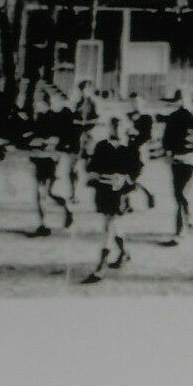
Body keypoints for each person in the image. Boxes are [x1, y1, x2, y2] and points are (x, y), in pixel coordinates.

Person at [80, 116, 143, 285]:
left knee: (109, 224)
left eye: (119, 126)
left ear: (125, 128)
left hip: (120, 193)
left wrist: (125, 179)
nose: (116, 129)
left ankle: (101, 265)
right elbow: (93, 167)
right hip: (104, 191)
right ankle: (124, 253)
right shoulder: (102, 146)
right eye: (113, 125)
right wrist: (91, 168)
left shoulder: (130, 148)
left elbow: (136, 171)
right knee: (114, 224)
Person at [22, 89, 74, 235]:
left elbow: (59, 138)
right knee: (44, 193)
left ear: (45, 103)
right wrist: (32, 140)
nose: (36, 105)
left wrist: (44, 142)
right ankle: (54, 216)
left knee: (43, 192)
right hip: (39, 158)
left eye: (38, 103)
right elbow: (28, 137)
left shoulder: (54, 118)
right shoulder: (37, 118)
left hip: (50, 159)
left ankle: (46, 223)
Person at [160, 87, 193, 239]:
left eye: (185, 98)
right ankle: (187, 220)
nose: (182, 101)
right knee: (178, 193)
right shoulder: (174, 116)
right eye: (180, 99)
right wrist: (168, 151)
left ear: (190, 99)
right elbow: (167, 137)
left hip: (189, 160)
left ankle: (181, 228)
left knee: (182, 193)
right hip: (176, 159)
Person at [124, 92, 158, 211]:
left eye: (137, 102)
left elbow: (148, 136)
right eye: (132, 103)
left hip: (140, 151)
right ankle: (126, 202)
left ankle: (149, 194)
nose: (134, 105)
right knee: (126, 176)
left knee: (136, 177)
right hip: (129, 150)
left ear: (143, 103)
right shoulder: (128, 116)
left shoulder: (146, 118)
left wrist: (135, 134)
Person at [69, 79, 100, 203]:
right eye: (88, 88)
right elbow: (70, 119)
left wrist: (90, 123)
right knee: (74, 167)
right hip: (76, 137)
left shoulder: (92, 103)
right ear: (82, 89)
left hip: (87, 137)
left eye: (90, 88)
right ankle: (73, 193)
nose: (90, 90)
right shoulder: (76, 102)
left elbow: (95, 118)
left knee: (90, 166)